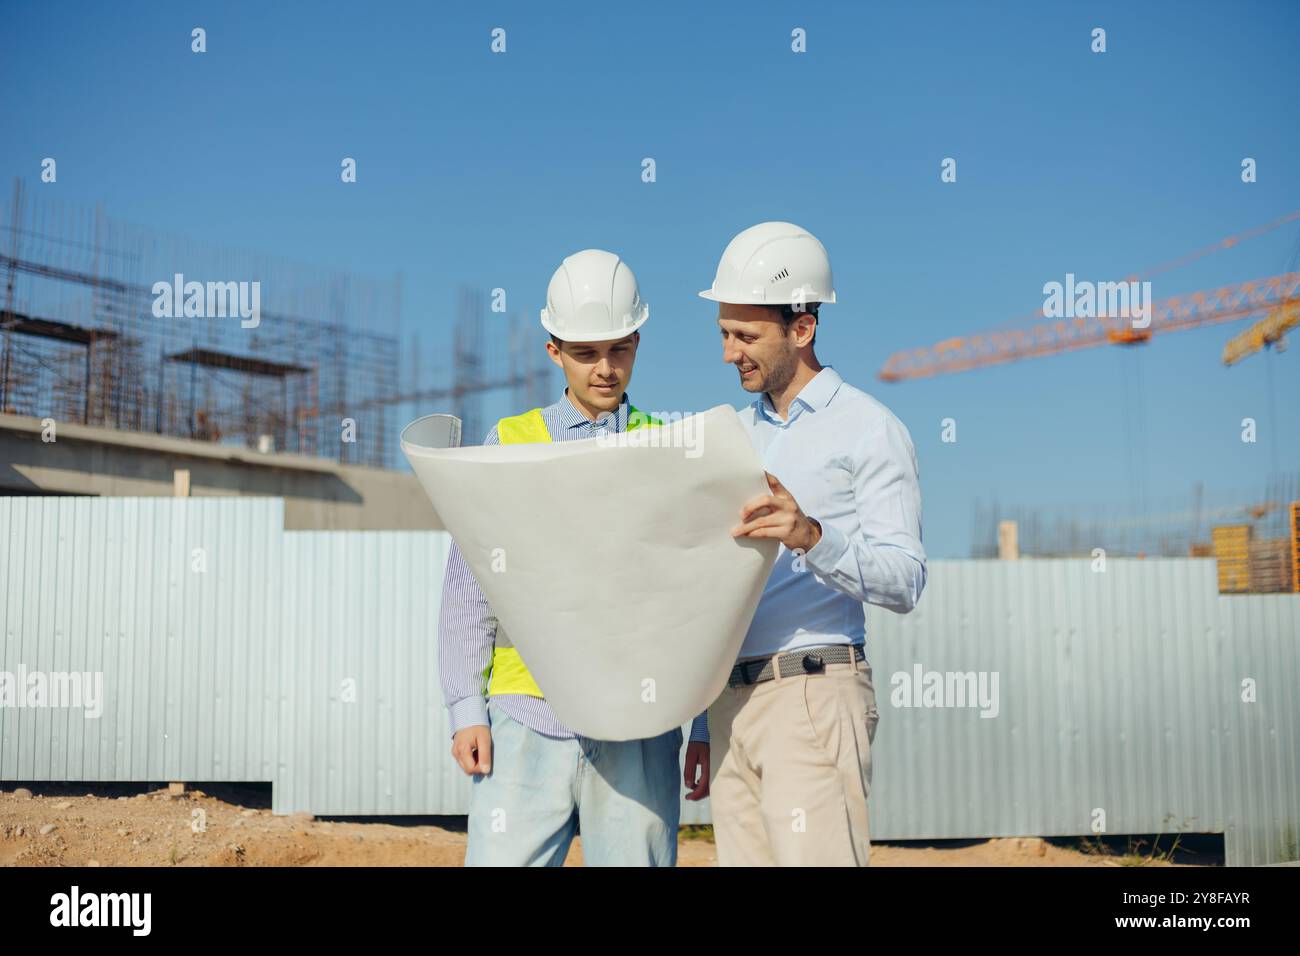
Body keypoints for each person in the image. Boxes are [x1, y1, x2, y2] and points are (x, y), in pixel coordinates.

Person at [683, 221, 927, 866]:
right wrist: (703, 724)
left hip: (814, 695)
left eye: (746, 335)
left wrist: (810, 535)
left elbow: (905, 580)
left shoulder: (870, 429)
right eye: (724, 334)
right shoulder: (730, 435)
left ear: (802, 328)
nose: (729, 352)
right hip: (731, 704)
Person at [439, 248, 683, 866]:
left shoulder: (669, 447)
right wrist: (465, 706)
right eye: (586, 353)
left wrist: (699, 725)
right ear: (554, 350)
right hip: (526, 714)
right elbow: (471, 581)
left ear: (638, 341)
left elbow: (694, 595)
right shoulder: (511, 442)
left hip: (640, 720)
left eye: (620, 349)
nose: (605, 369)